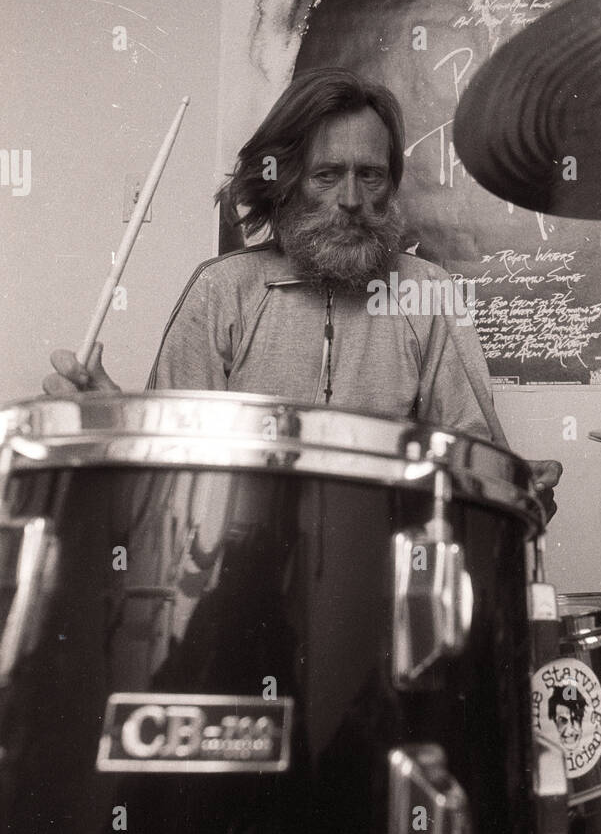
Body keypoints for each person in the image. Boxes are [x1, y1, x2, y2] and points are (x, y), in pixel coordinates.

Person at [44, 68, 561, 514]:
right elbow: (170, 467)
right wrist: (115, 425)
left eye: (370, 175)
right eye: (326, 175)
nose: (352, 199)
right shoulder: (222, 290)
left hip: (384, 565)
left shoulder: (428, 293)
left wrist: (515, 486)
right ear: (285, 181)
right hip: (237, 563)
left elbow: (472, 460)